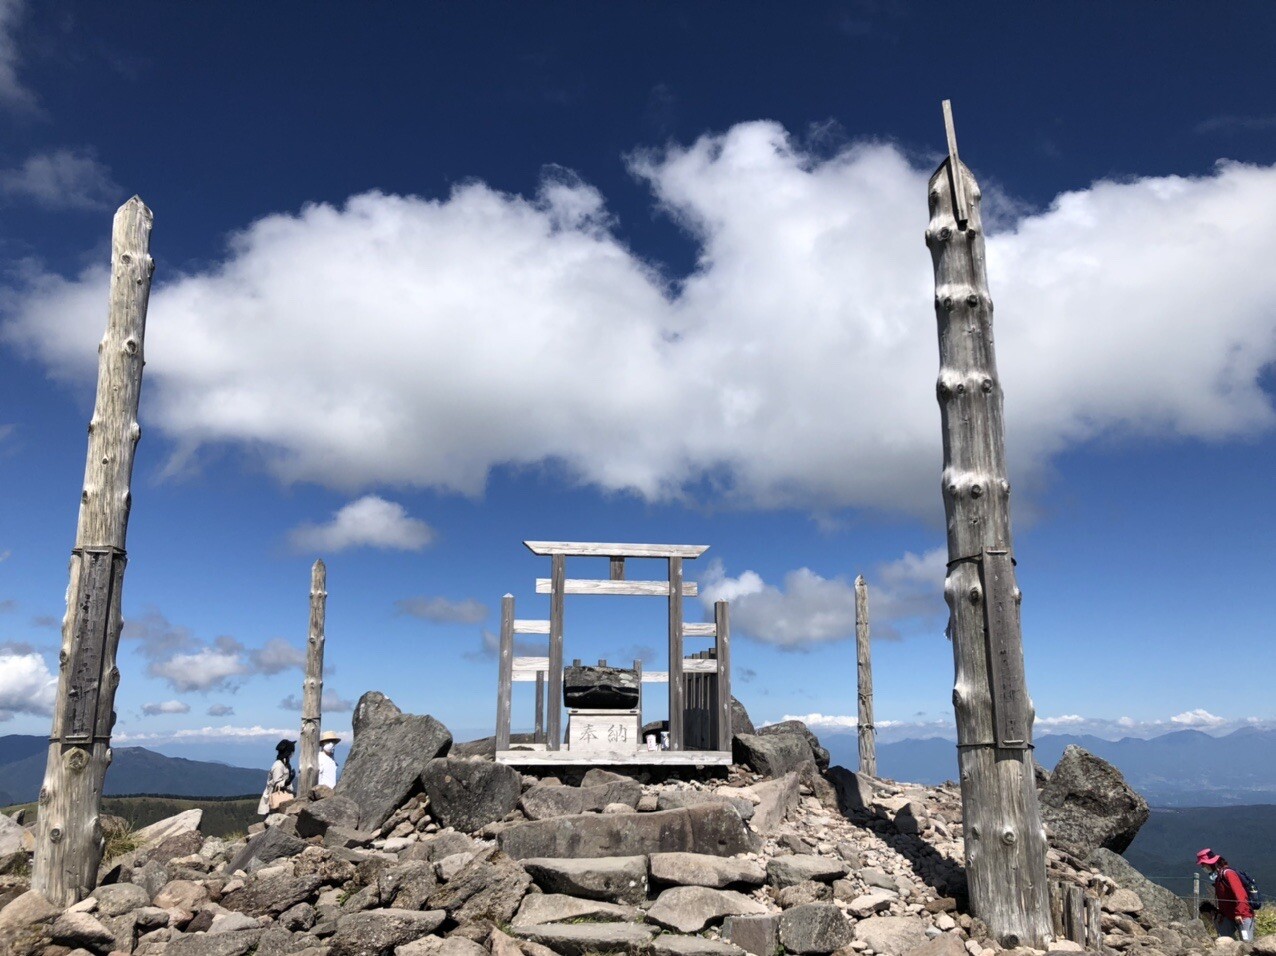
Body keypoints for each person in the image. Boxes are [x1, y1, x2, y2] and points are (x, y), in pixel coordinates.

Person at [1197, 848, 1254, 941]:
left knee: (1247, 943)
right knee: (1223, 941)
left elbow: (1241, 895)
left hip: (1243, 916)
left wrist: (1239, 913)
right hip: (1228, 916)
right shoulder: (1218, 877)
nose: (1203, 867)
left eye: (1204, 864)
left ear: (1211, 863)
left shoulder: (1228, 874)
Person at [257, 738, 296, 816]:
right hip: (275, 798)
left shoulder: (283, 764)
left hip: (279, 797)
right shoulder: (278, 765)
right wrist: (289, 780)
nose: (292, 754)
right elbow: (277, 783)